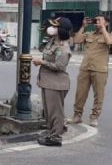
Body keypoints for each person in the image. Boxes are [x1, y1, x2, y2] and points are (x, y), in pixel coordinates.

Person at [34, 18, 72, 146]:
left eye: (54, 26)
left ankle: (56, 137)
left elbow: (60, 66)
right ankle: (51, 134)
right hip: (47, 82)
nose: (51, 28)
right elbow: (43, 50)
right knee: (49, 111)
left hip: (56, 84)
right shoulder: (52, 42)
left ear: (60, 29)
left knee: (56, 112)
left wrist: (41, 62)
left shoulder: (63, 46)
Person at [69, 15, 112, 127]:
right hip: (85, 68)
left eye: (99, 20)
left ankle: (94, 117)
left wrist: (103, 29)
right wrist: (83, 27)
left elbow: (109, 43)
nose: (96, 22)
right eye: (95, 20)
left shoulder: (109, 35)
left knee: (99, 95)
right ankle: (77, 116)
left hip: (99, 70)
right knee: (80, 94)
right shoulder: (89, 34)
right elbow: (76, 40)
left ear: (106, 23)